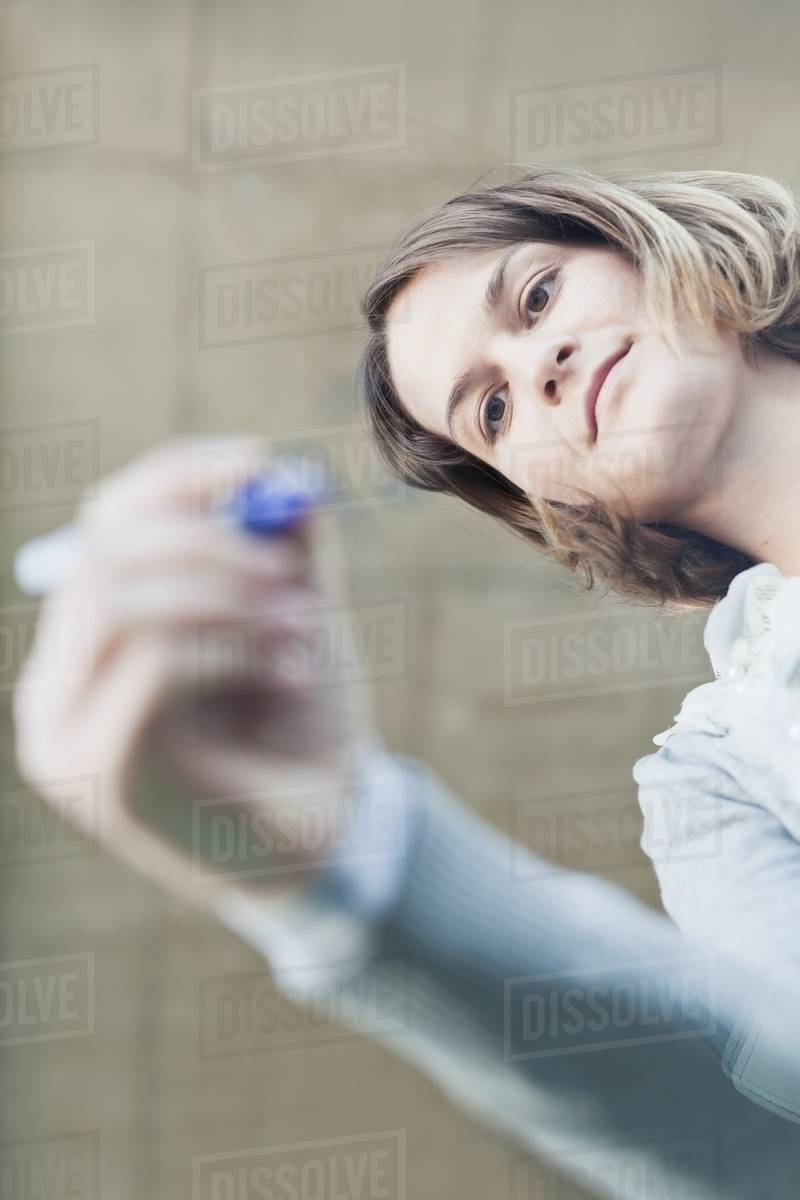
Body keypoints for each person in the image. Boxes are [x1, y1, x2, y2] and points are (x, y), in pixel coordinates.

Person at [13, 165, 800, 1198]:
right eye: (492, 410)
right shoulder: (711, 782)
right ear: (548, 498)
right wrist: (356, 866)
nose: (539, 366)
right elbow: (771, 1134)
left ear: (645, 242)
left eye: (537, 296)